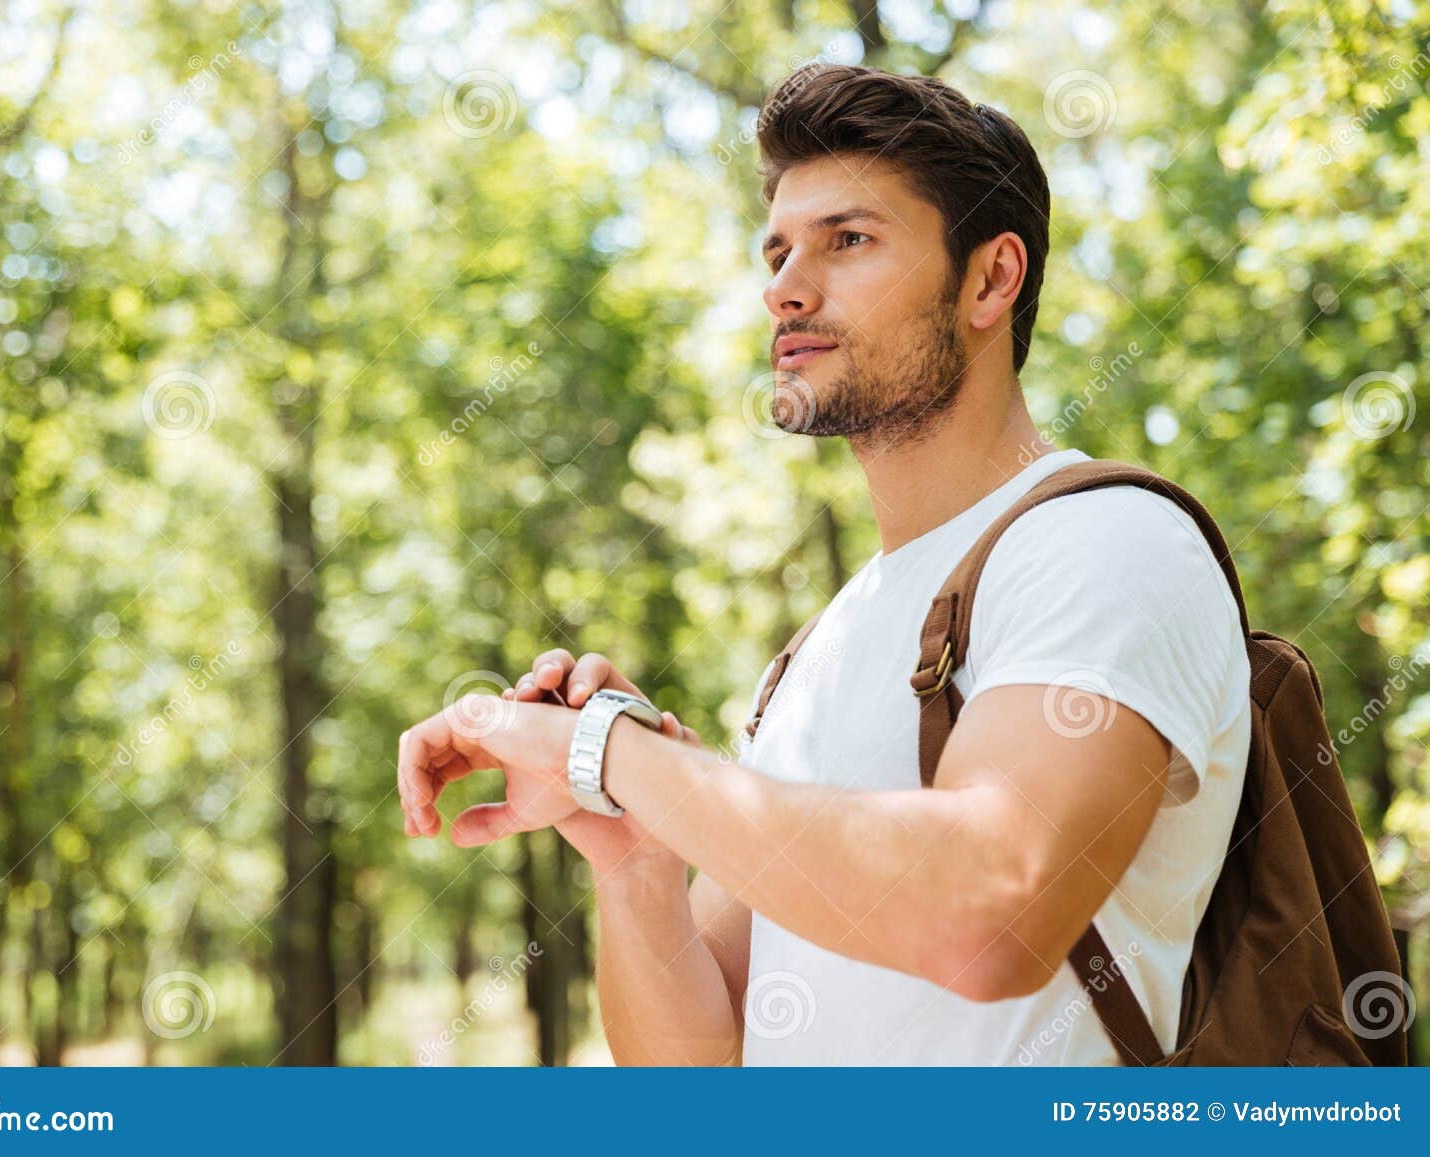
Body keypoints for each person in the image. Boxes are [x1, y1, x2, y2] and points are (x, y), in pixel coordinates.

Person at [395, 64, 1250, 1066]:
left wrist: (611, 755)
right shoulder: (824, 646)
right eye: (777, 252)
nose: (784, 287)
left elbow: (988, 919)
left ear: (990, 278)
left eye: (848, 240)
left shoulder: (1103, 541)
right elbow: (694, 1067)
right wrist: (635, 851)